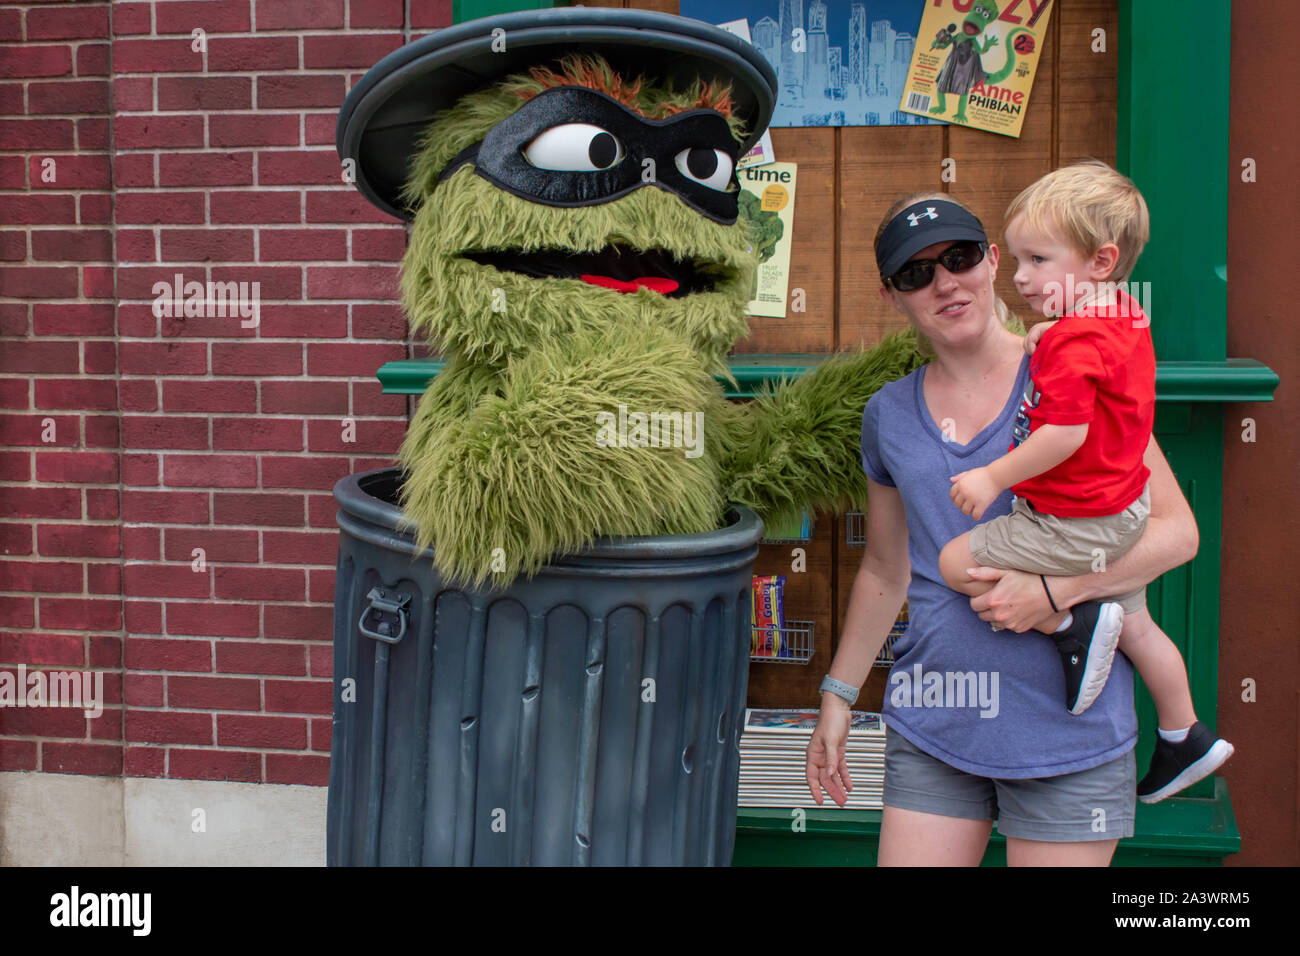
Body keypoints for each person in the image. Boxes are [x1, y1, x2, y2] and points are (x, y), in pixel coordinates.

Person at [805, 192, 1200, 865]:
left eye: (958, 257)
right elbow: (885, 568)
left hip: (1067, 730)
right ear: (892, 295)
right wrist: (838, 696)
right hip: (934, 720)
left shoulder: (1074, 365)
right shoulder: (888, 415)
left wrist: (1055, 594)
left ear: (993, 261)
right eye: (916, 273)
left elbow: (1174, 532)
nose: (944, 282)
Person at [938, 161, 1233, 802]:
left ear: (1100, 261)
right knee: (1138, 625)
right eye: (1017, 260)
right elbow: (1099, 357)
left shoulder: (1073, 347)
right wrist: (1050, 332)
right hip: (1122, 509)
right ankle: (1186, 733)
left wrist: (992, 477)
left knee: (956, 560)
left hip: (1069, 520)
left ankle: (1068, 624)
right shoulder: (1122, 315)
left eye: (1039, 260)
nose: (1020, 277)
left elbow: (1063, 436)